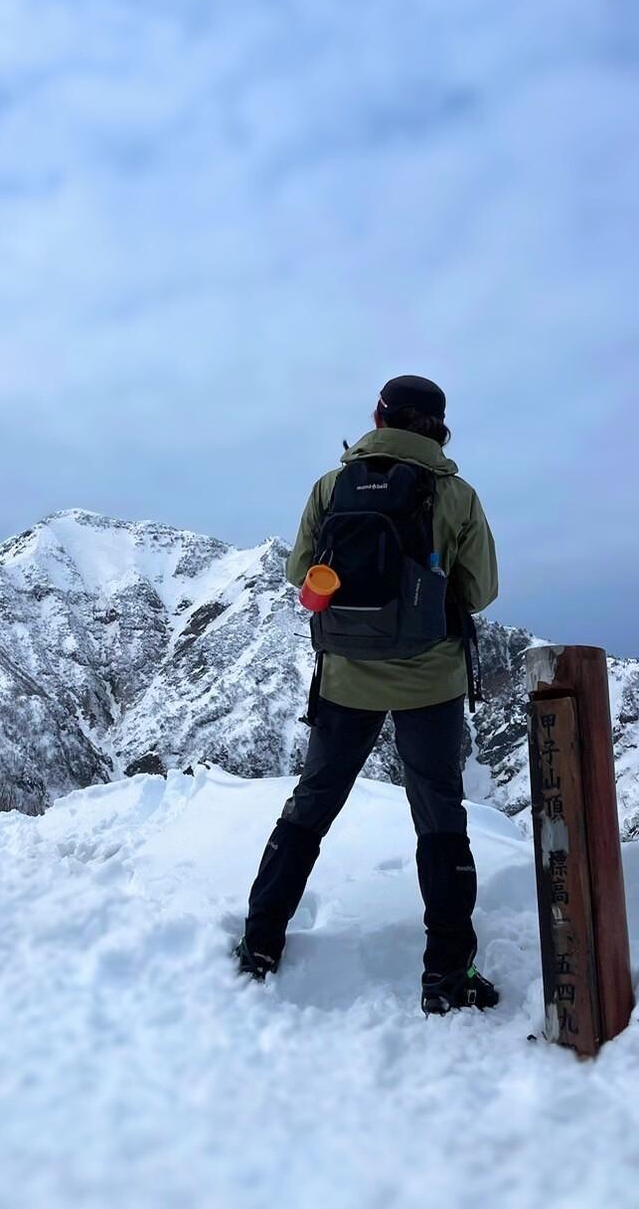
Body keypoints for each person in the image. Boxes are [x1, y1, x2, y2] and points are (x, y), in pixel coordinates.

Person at [235, 375, 500, 1014]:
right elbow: (482, 588)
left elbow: (302, 573)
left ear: (378, 416)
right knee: (439, 817)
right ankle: (446, 974)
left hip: (346, 675)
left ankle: (261, 942)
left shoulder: (331, 487)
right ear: (438, 428)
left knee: (312, 804)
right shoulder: (456, 495)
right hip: (428, 679)